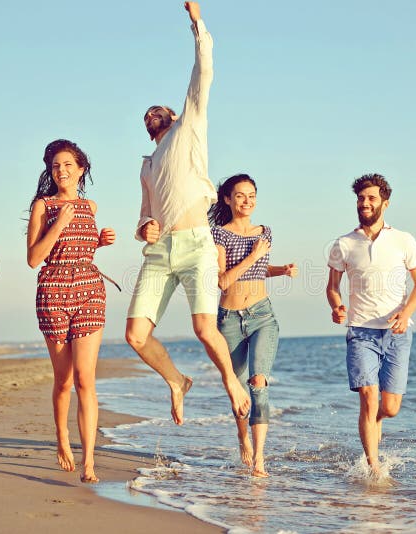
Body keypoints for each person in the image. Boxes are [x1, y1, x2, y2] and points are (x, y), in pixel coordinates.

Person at [125, 1, 250, 426]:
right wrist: (145, 227)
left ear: (176, 116)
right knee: (135, 335)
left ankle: (231, 383)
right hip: (161, 251)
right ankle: (177, 381)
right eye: (147, 115)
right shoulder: (147, 165)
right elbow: (144, 216)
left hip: (197, 244)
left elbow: (203, 72)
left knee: (203, 327)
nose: (152, 112)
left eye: (159, 109)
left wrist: (197, 22)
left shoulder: (188, 127)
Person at [326, 173, 416, 476]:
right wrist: (336, 306)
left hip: (397, 332)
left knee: (390, 408)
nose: (365, 203)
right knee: (369, 398)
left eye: (371, 198)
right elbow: (332, 287)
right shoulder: (344, 244)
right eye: (361, 198)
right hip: (360, 331)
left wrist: (405, 313)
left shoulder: (404, 240)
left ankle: (376, 422)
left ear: (385, 203)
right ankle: (374, 468)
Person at [26, 139, 116, 483]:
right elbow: (34, 258)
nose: (61, 171)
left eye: (67, 165)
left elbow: (80, 248)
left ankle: (89, 460)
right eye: (55, 166)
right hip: (53, 292)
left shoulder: (90, 206)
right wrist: (59, 224)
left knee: (84, 378)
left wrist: (99, 241)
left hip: (89, 290)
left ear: (81, 169)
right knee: (63, 381)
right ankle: (62, 437)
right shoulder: (43, 206)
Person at [209, 174, 298, 477]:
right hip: (230, 319)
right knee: (237, 388)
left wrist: (281, 269)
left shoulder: (265, 232)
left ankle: (260, 459)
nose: (246, 201)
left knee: (258, 383)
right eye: (240, 195)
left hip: (262, 315)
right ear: (227, 199)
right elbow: (223, 280)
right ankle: (242, 436)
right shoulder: (219, 234)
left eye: (251, 195)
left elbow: (257, 270)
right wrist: (254, 255)